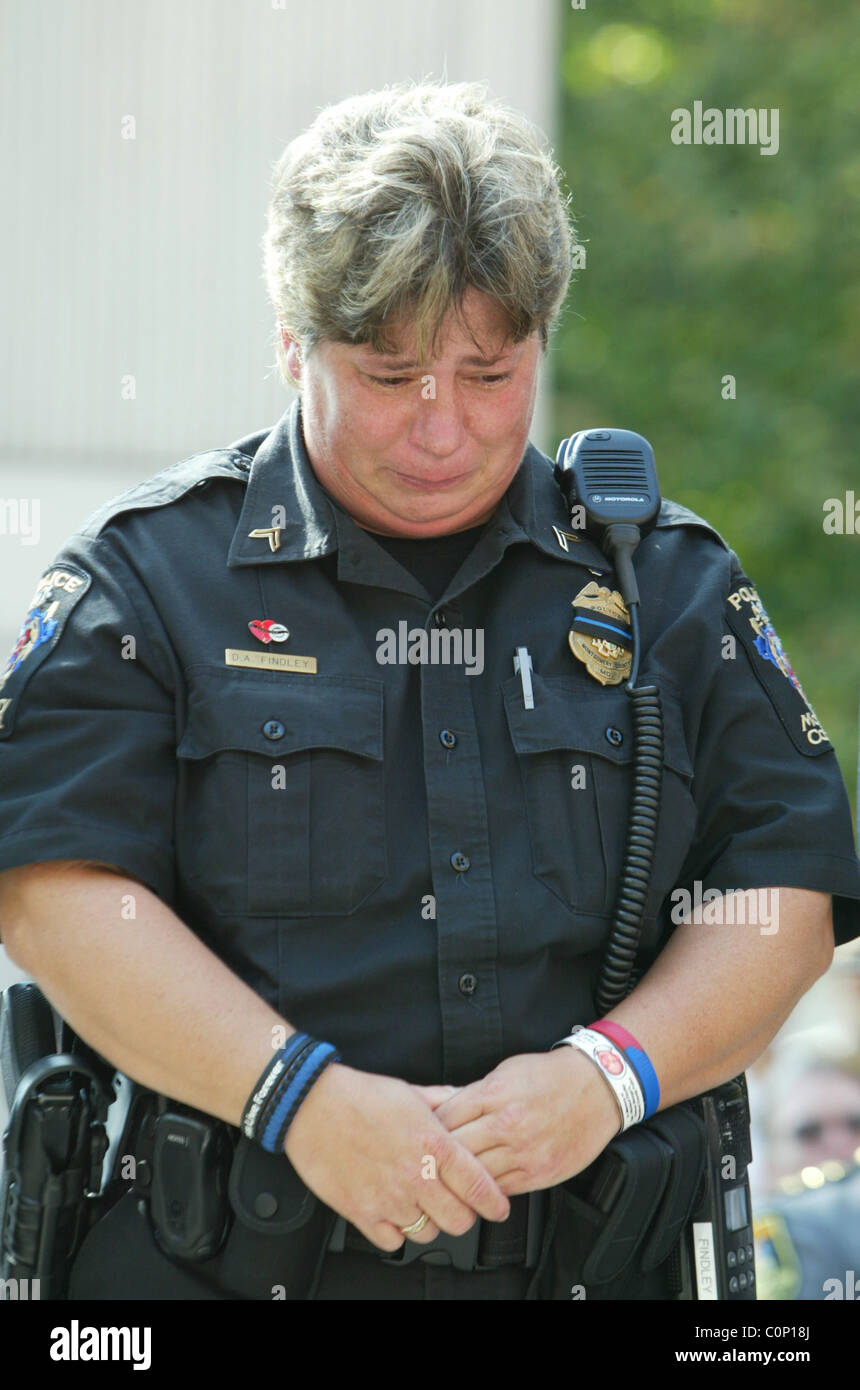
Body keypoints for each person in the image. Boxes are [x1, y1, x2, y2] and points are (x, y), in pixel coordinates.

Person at [0, 80, 859, 1302]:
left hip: (594, 1268)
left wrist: (606, 1076)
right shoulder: (149, 580)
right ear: (293, 343)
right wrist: (294, 1096)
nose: (441, 428)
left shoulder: (662, 579)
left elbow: (787, 891)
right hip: (223, 1270)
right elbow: (50, 888)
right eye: (388, 372)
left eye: (487, 372)